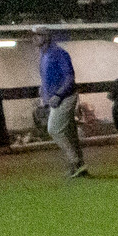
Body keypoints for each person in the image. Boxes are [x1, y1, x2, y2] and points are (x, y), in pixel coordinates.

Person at [33, 26, 86, 177]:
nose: (34, 38)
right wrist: (43, 92)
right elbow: (47, 79)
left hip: (65, 97)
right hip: (56, 98)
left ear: (46, 36)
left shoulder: (58, 53)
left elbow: (69, 77)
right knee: (69, 134)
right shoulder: (44, 56)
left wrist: (58, 94)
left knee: (54, 129)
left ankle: (75, 161)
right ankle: (80, 166)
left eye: (38, 35)